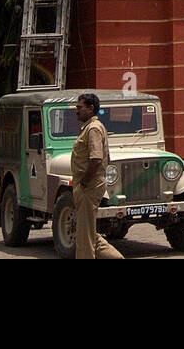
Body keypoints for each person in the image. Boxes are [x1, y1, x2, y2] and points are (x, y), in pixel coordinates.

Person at [70, 93, 123, 259]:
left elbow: (96, 159)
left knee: (84, 237)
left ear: (90, 108)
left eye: (79, 107)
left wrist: (84, 183)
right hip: (86, 186)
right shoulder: (89, 128)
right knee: (87, 231)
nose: (76, 111)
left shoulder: (93, 129)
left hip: (89, 187)